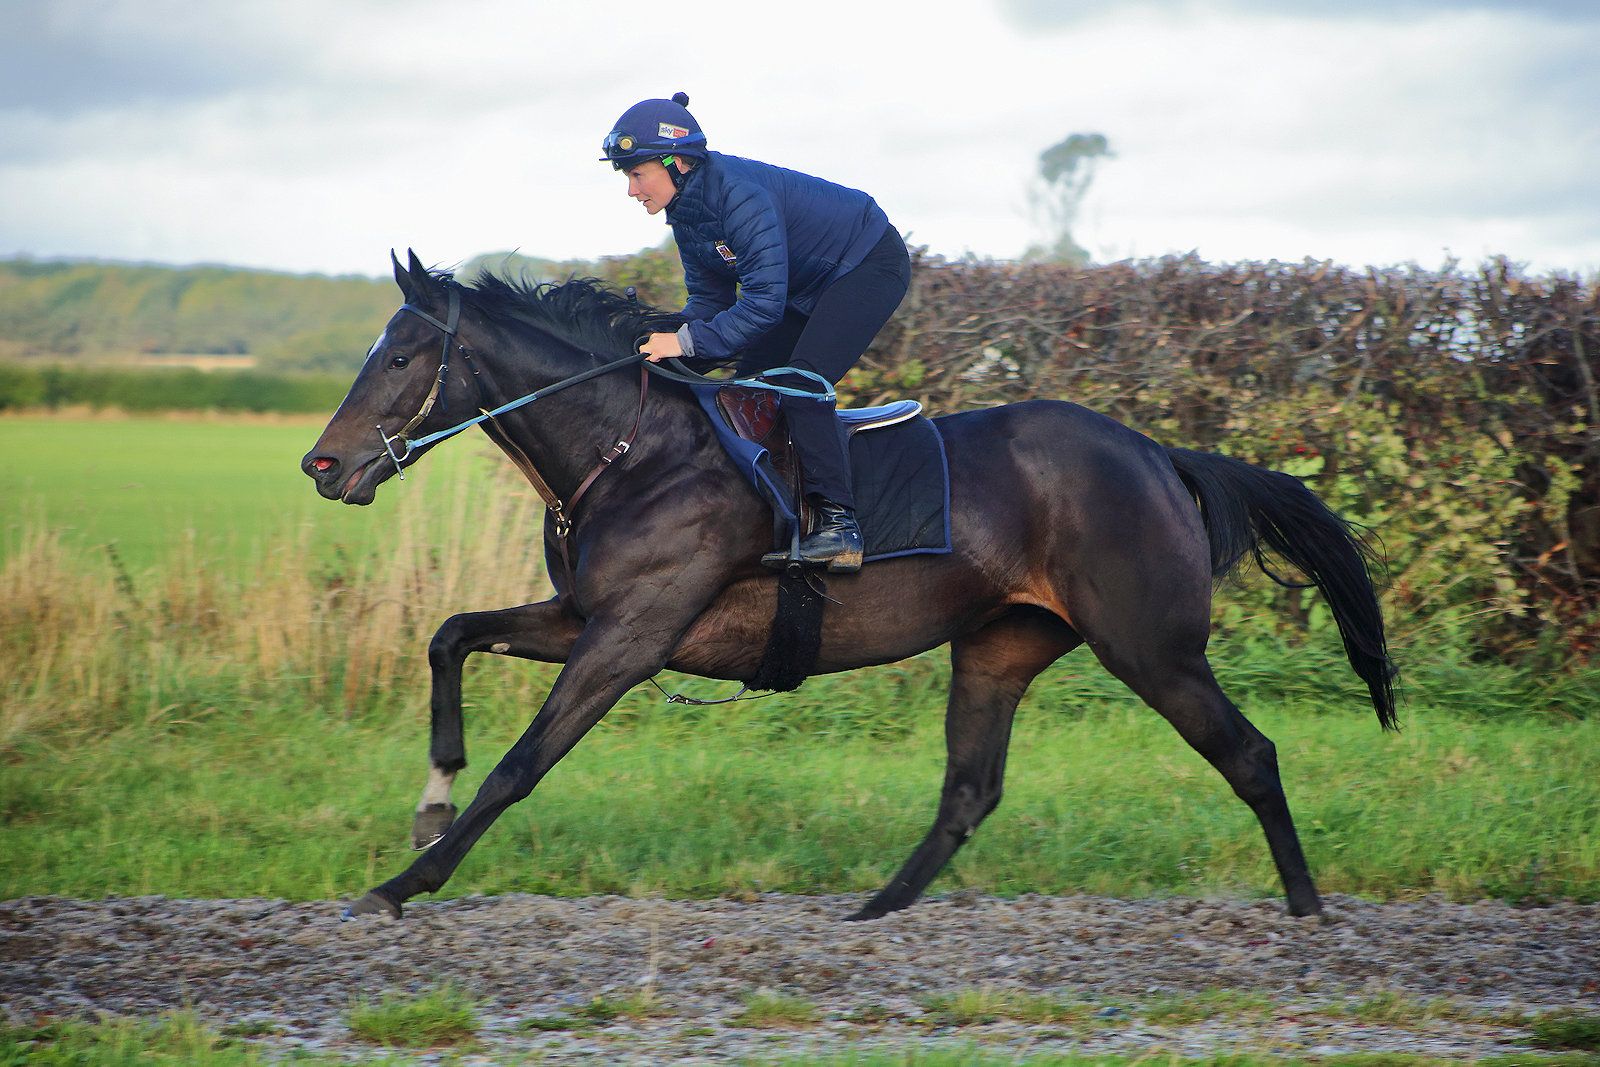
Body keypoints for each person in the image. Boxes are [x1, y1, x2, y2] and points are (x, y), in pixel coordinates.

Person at [600, 92, 911, 574]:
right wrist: (663, 343)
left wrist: (683, 342)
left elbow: (763, 305)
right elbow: (710, 303)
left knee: (797, 383)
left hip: (866, 264)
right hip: (802, 286)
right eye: (626, 177)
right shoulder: (686, 215)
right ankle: (769, 508)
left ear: (678, 162)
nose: (630, 190)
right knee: (747, 390)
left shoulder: (739, 195)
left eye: (637, 174)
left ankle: (839, 525)